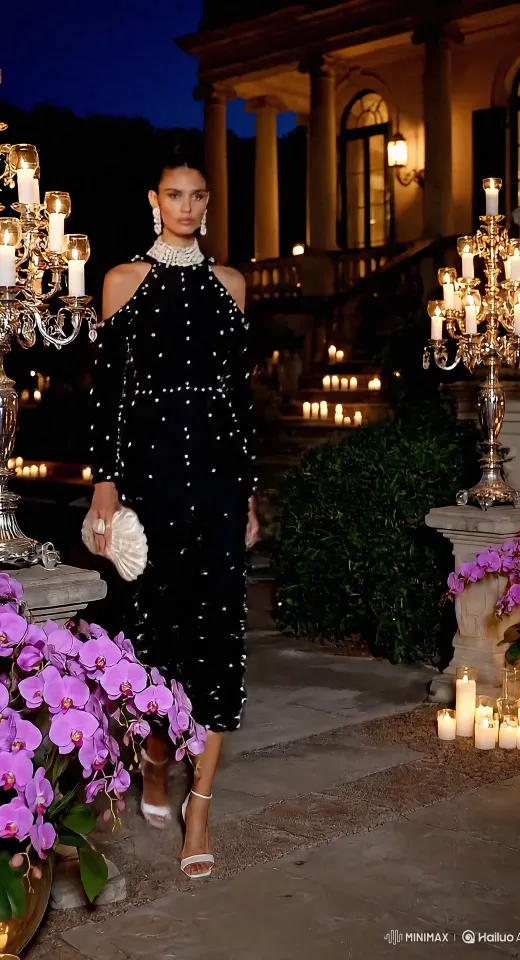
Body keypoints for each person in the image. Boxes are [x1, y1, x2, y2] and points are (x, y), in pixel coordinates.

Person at [87, 148, 259, 878]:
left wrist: (249, 493)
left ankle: (201, 804)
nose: (186, 207)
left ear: (209, 203)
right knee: (152, 634)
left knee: (219, 634)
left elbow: (241, 400)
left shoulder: (231, 285)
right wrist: (105, 486)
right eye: (174, 195)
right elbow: (106, 396)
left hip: (219, 481)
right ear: (154, 201)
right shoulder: (123, 282)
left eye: (197, 196)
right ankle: (155, 761)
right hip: (152, 481)